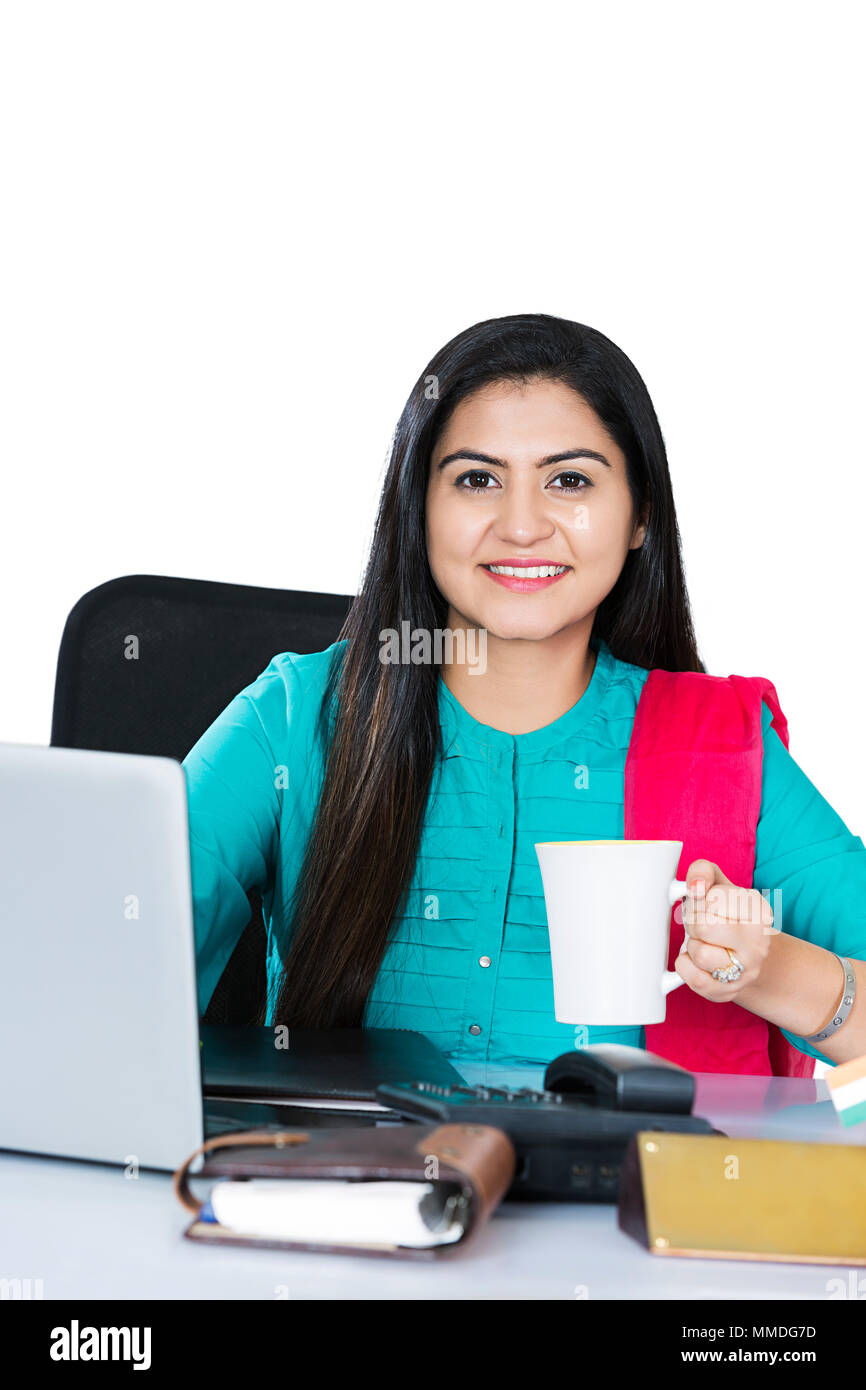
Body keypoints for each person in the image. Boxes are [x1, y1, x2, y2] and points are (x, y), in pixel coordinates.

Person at [182, 312, 865, 1072]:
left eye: (569, 480)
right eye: (478, 479)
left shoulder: (723, 751)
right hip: (359, 1186)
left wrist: (771, 973)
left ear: (640, 515)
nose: (521, 525)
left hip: (640, 1188)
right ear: (420, 509)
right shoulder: (292, 719)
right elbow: (101, 954)